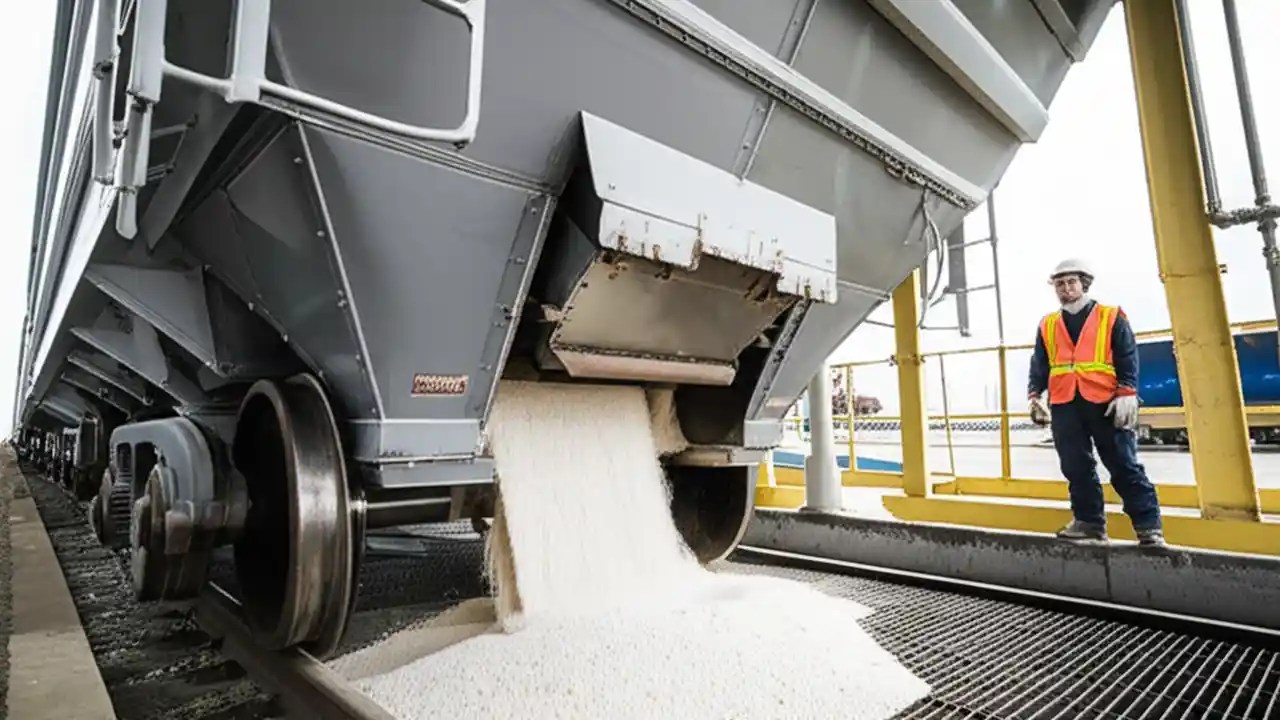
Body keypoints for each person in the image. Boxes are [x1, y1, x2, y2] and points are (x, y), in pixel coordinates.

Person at [1027, 259, 1165, 547]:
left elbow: (1127, 355)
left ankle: (1149, 527)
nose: (1065, 288)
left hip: (1105, 401)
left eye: (1071, 282)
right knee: (1075, 466)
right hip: (1065, 401)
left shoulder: (1110, 316)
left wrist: (1127, 391)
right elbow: (1040, 363)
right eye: (1060, 284)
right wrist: (1034, 396)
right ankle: (1089, 523)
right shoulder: (1048, 324)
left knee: (1123, 464)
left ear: (1084, 283)